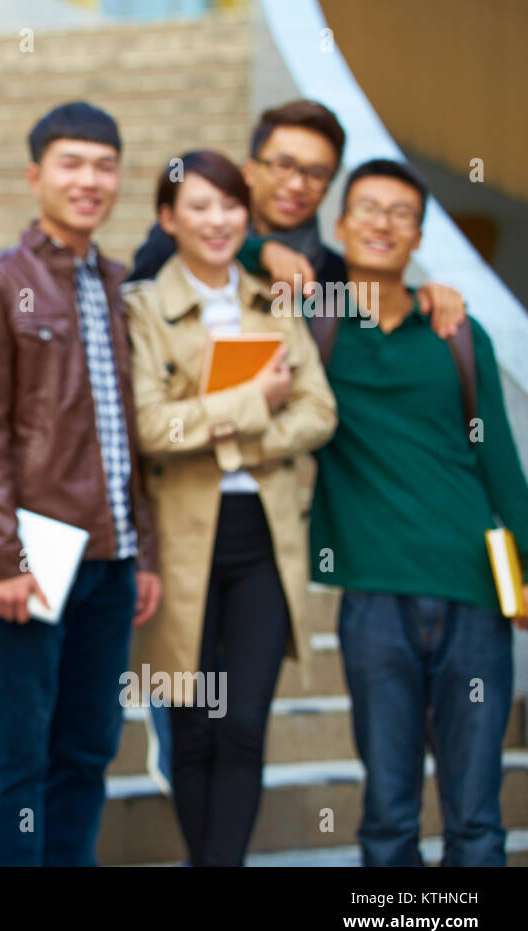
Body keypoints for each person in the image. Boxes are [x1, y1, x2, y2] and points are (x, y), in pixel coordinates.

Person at [0, 101, 161, 867]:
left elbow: (131, 430)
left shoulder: (117, 280)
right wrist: (3, 557)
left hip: (114, 552)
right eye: (72, 164)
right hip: (34, 551)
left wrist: (148, 551)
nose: (90, 180)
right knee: (20, 748)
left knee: (89, 744)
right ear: (37, 175)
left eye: (105, 165)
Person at [310, 159, 528, 866]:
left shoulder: (456, 333)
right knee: (388, 814)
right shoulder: (318, 331)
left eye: (401, 212)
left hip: (474, 593)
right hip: (374, 600)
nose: (382, 223)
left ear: (419, 233)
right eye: (367, 208)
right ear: (340, 226)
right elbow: (234, 239)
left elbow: (501, 464)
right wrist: (268, 248)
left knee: (476, 816)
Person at [123, 151, 337, 866]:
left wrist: (236, 437)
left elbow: (320, 409)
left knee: (243, 723)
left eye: (230, 206)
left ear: (247, 217)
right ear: (167, 219)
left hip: (264, 540)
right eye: (199, 206)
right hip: (184, 542)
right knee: (192, 727)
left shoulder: (273, 301)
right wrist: (253, 405)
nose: (217, 221)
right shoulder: (143, 306)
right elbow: (151, 427)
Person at [128, 99, 466, 337]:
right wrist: (259, 250)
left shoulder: (336, 276)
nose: (296, 185)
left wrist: (428, 298)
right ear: (249, 170)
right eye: (283, 165)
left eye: (316, 173)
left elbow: (382, 316)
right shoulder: (174, 241)